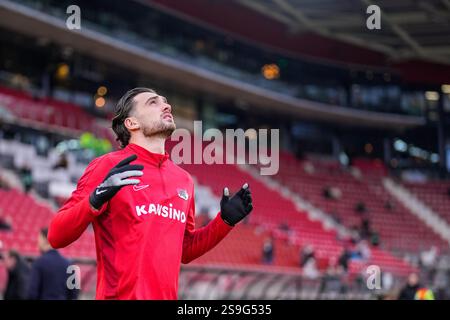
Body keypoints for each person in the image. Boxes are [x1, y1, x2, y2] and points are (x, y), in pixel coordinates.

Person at [47, 88, 253, 300]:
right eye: (153, 103)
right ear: (132, 123)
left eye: (165, 101)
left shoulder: (183, 180)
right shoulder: (107, 166)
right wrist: (95, 198)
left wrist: (224, 222)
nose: (167, 106)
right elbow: (56, 236)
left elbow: (186, 250)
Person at [27, 228, 78, 300]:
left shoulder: (38, 263)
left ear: (45, 239)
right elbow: (74, 294)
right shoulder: (69, 264)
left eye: (39, 239)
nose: (37, 242)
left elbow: (32, 293)